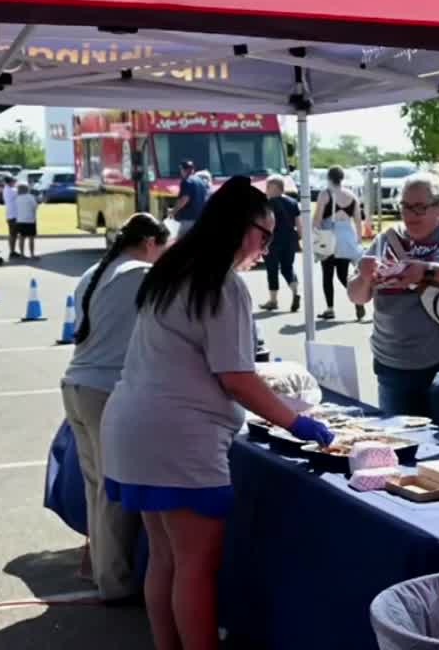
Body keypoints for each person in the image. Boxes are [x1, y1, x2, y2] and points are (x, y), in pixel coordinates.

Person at [101, 177, 334, 650]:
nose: (266, 249)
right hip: (178, 437)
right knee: (194, 566)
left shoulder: (172, 269)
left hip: (134, 425)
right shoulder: (221, 283)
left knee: (165, 558)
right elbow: (236, 378)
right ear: (239, 226)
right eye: (264, 237)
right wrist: (296, 421)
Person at [61, 213, 170, 603]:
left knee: (97, 489)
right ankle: (115, 584)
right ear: (148, 244)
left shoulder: (93, 272)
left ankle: (101, 569)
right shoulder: (140, 273)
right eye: (163, 249)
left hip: (77, 385)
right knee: (112, 493)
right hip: (103, 391)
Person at [348, 171, 439, 418]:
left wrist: (427, 272)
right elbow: (357, 297)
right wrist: (364, 277)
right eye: (405, 207)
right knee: (401, 446)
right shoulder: (386, 239)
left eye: (419, 208)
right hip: (392, 366)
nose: (410, 215)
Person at [314, 166, 367, 321]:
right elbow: (358, 220)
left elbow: (317, 217)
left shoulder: (325, 194)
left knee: (327, 274)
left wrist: (314, 235)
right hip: (346, 236)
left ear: (329, 178)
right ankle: (358, 300)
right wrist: (358, 238)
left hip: (328, 235)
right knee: (342, 274)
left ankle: (330, 308)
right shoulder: (351, 195)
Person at [259, 176, 300, 312]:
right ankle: (295, 292)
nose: (266, 190)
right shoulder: (293, 202)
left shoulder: (268, 204)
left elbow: (263, 224)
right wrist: (299, 238)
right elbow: (299, 224)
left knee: (272, 269)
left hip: (272, 240)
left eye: (268, 187)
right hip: (290, 240)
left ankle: (273, 300)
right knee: (288, 267)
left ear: (274, 188)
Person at [169, 160, 207, 237]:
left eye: (181, 169)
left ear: (184, 170)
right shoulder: (201, 181)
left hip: (188, 219)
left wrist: (173, 211)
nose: (180, 172)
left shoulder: (187, 181)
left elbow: (184, 199)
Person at [14, 183, 39, 260]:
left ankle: (22, 254)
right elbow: (35, 207)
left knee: (21, 238)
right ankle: (32, 254)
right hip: (30, 220)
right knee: (31, 238)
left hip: (20, 220)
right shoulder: (30, 197)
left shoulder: (17, 198)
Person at [2, 177, 20, 258]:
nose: (15, 183)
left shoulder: (7, 189)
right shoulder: (11, 190)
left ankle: (12, 251)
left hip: (11, 214)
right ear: (10, 182)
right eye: (14, 182)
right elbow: (20, 191)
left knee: (13, 234)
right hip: (13, 215)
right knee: (13, 234)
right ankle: (12, 251)